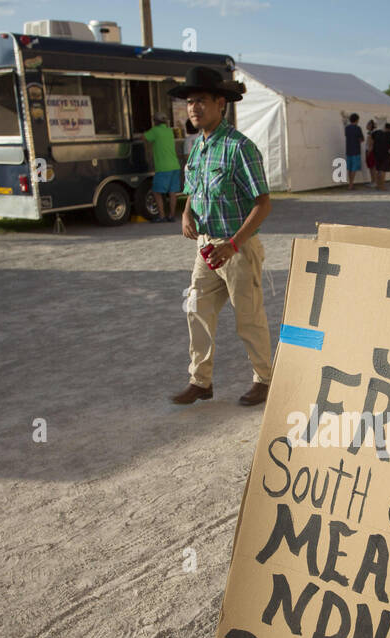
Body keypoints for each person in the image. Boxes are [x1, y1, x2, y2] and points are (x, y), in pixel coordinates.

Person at [168, 66, 274, 408]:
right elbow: (193, 189)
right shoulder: (198, 147)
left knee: (249, 317)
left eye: (201, 100)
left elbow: (263, 203)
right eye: (189, 102)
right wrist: (186, 212)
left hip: (237, 248)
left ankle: (265, 380)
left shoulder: (238, 148)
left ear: (220, 104)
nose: (194, 107)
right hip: (206, 248)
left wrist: (233, 245)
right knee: (196, 308)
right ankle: (201, 381)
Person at [144, 113, 182, 222]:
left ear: (155, 121)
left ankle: (161, 216)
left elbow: (144, 137)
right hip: (175, 165)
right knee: (172, 192)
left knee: (157, 192)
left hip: (163, 167)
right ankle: (172, 215)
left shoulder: (155, 131)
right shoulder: (169, 131)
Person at [343, 112, 364, 190]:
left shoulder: (347, 128)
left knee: (350, 168)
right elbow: (361, 139)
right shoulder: (358, 128)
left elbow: (346, 135)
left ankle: (350, 184)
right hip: (356, 150)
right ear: (357, 120)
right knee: (354, 168)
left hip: (348, 150)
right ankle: (351, 184)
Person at [372, 122, 390, 190]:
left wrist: (372, 147)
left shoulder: (377, 132)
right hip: (386, 154)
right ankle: (382, 186)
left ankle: (378, 185)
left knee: (378, 170)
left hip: (377, 153)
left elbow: (370, 137)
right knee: (383, 170)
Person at [364, 119, 377, 185]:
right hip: (369, 150)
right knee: (371, 167)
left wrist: (369, 151)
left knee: (372, 167)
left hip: (370, 151)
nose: (367, 125)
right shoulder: (370, 133)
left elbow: (372, 143)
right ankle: (372, 181)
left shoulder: (372, 133)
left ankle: (374, 181)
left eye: (368, 124)